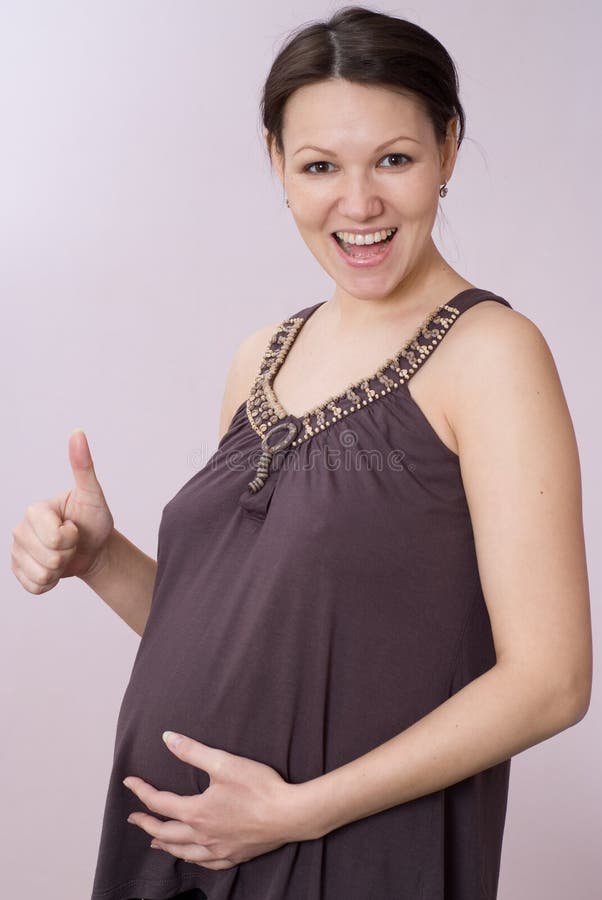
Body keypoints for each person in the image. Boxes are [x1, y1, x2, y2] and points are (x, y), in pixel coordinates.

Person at [10, 6, 592, 900]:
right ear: (277, 163)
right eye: (320, 166)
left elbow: (552, 681)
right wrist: (100, 559)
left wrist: (297, 814)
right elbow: (254, 634)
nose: (358, 205)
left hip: (344, 854)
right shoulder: (262, 356)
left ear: (448, 148)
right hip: (183, 847)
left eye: (393, 160)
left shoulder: (492, 355)